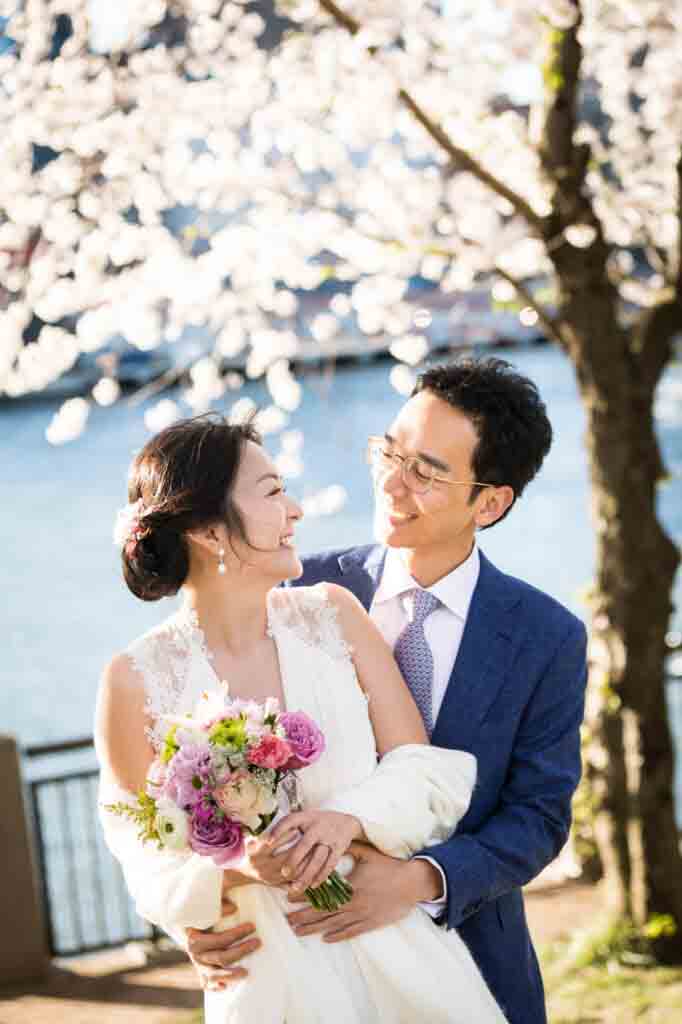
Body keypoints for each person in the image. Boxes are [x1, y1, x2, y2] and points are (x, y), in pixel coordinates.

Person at [192, 358, 588, 1024]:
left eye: (427, 472)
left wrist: (418, 881)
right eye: (389, 451)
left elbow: (538, 816)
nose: (391, 483)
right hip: (303, 962)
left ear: (489, 503)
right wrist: (199, 909)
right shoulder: (291, 588)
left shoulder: (547, 637)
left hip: (474, 966)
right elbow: (203, 762)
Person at [95, 414, 506, 1023]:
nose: (296, 509)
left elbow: (425, 772)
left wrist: (347, 821)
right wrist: (232, 874)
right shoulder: (134, 680)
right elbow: (143, 853)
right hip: (265, 976)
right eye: (271, 492)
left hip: (400, 960)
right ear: (210, 530)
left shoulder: (332, 616)